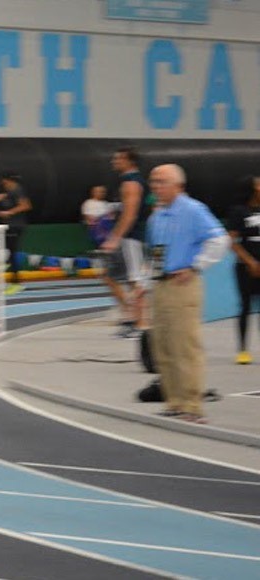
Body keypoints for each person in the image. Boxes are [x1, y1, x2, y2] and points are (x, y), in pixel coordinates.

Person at [146, 164, 229, 424]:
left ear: (177, 185)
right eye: (153, 182)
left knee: (185, 346)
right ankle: (175, 401)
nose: (155, 186)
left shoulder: (193, 210)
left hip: (183, 286)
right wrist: (145, 282)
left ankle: (193, 405)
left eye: (161, 182)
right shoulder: (157, 216)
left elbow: (219, 240)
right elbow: (156, 251)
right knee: (163, 345)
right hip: (161, 283)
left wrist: (195, 266)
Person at [102, 147, 153, 338]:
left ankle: (140, 324)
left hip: (132, 238)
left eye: (118, 158)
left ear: (129, 161)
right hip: (125, 237)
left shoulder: (132, 183)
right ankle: (130, 316)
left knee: (135, 280)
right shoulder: (124, 182)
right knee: (109, 276)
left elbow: (130, 215)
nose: (114, 161)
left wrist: (114, 238)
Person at [226, 175, 260, 364]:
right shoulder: (239, 211)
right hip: (245, 268)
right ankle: (243, 350)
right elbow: (232, 241)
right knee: (245, 306)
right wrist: (250, 262)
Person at [0, 172, 32, 295]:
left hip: (16, 226)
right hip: (10, 226)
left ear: (11, 181)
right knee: (7, 251)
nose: (3, 185)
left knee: (11, 253)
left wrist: (9, 213)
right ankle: (8, 269)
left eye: (5, 182)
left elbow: (26, 205)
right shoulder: (10, 193)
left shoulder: (18, 190)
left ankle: (16, 283)